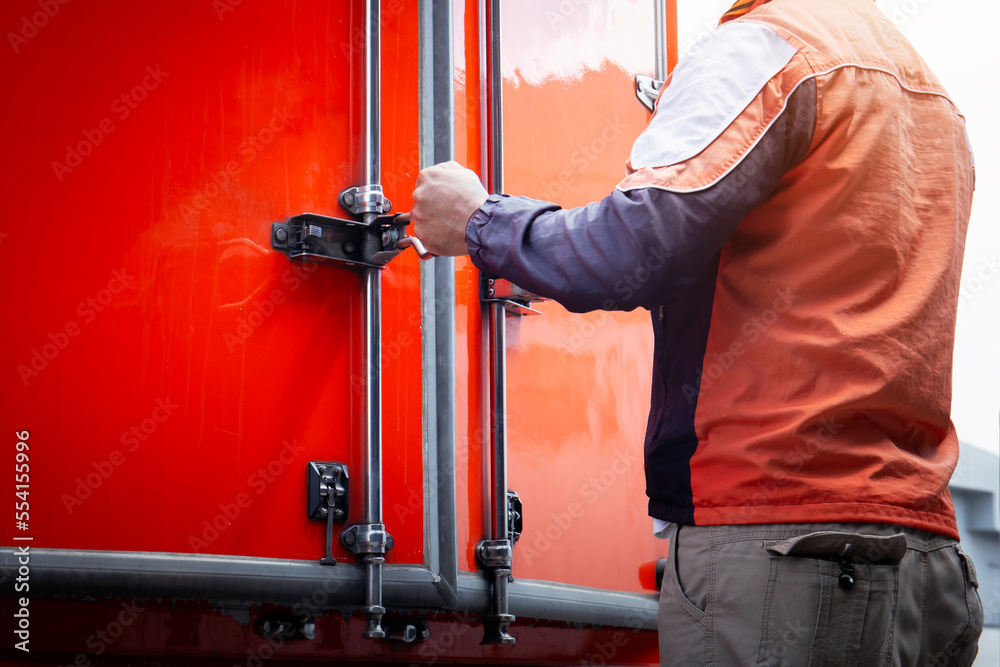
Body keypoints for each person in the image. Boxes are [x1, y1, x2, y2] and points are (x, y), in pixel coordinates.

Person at [404, 0, 983, 664]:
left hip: (778, 549)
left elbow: (633, 251)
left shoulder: (766, 51)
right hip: (926, 557)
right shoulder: (931, 96)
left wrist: (481, 221)